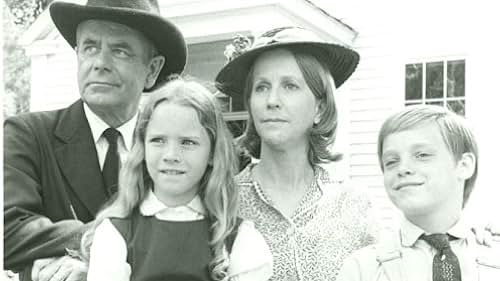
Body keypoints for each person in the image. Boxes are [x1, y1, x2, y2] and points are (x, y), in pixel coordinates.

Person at [3, 1, 186, 280]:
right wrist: (120, 243)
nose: (100, 63)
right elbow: (10, 228)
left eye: (120, 50)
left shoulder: (173, 150)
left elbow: (191, 239)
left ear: (152, 70)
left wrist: (98, 262)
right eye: (89, 47)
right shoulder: (28, 134)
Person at [215, 26, 377, 281]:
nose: (272, 100)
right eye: (261, 87)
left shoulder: (355, 206)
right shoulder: (221, 201)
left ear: (320, 109)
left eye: (290, 86)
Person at [81, 76, 273, 281]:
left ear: (211, 153)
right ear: (142, 147)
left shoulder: (236, 238)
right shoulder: (116, 234)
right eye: (158, 140)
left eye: (188, 142)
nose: (171, 155)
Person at [337, 105, 500, 281]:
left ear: (464, 165)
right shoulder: (363, 269)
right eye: (391, 161)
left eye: (422, 155)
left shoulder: (492, 255)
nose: (403, 168)